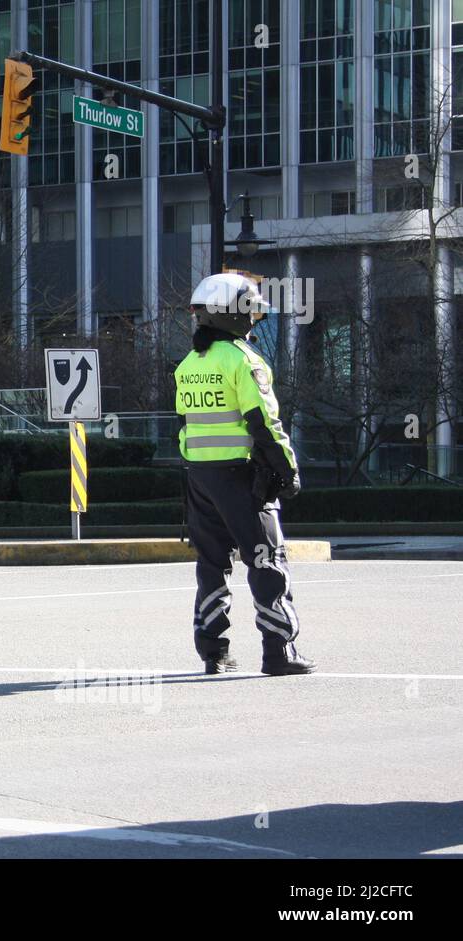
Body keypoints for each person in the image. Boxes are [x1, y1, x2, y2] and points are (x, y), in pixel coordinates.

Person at [173, 273, 316, 676]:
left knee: (211, 563)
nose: (254, 318)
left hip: (199, 478)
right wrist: (287, 470)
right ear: (230, 315)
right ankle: (278, 651)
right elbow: (264, 423)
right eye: (248, 310)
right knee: (267, 560)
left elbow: (184, 425)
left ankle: (212, 652)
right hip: (242, 479)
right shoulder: (243, 360)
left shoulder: (188, 364)